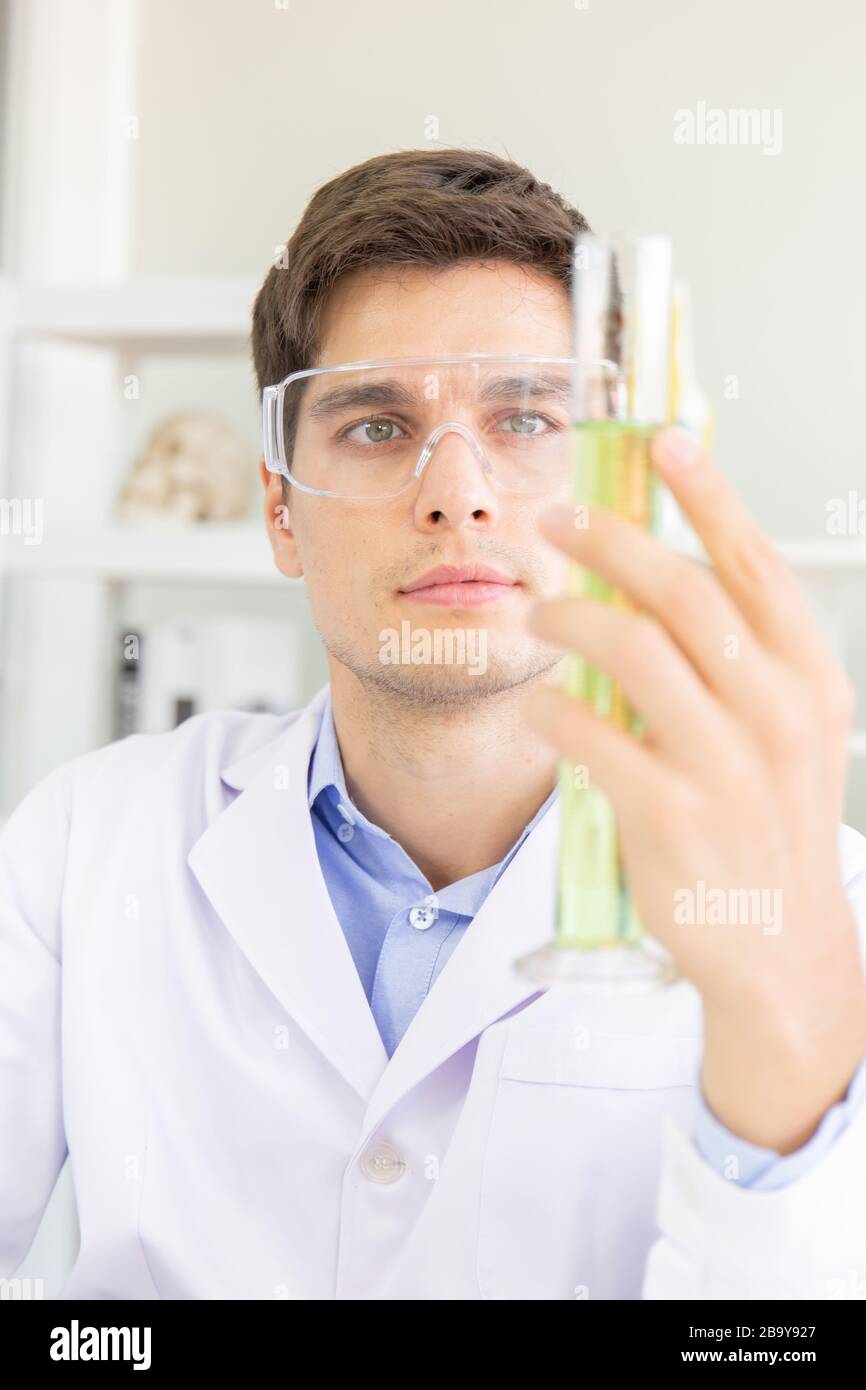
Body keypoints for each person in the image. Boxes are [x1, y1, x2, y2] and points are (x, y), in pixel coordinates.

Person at [2, 148, 865, 1301]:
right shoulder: (86, 843)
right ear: (280, 512)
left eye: (525, 416)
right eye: (375, 424)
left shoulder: (815, 898)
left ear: (614, 488)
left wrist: (782, 1042)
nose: (455, 491)